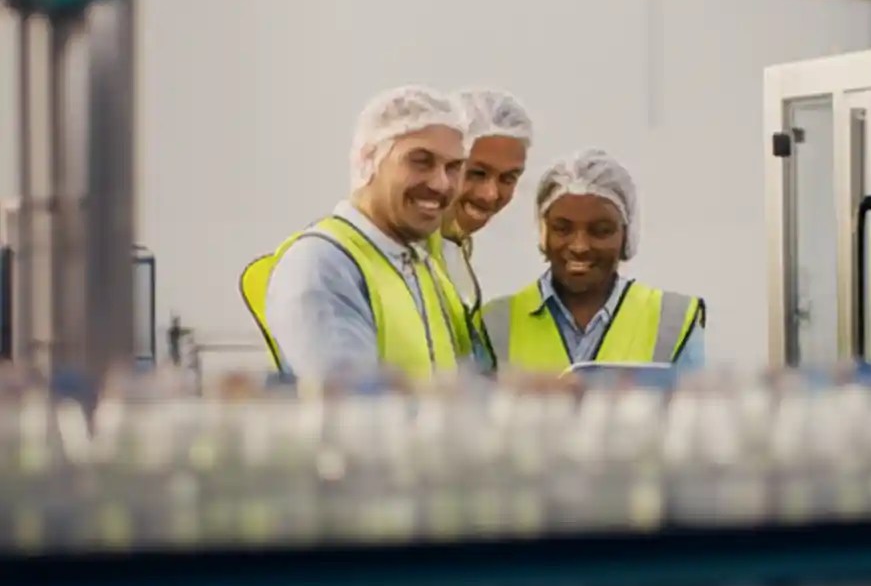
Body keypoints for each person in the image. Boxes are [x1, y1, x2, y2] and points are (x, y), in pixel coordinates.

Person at [239, 85, 473, 382]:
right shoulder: (323, 264)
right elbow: (349, 411)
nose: (441, 184)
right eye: (421, 161)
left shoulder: (419, 265)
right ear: (368, 161)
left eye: (453, 167)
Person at [481, 149, 706, 373]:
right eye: (562, 229)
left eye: (601, 231)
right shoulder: (496, 324)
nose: (579, 246)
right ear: (543, 232)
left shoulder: (673, 320)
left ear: (627, 236)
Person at [428, 89, 534, 316]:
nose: (491, 195)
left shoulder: (453, 252)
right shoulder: (399, 256)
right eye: (477, 173)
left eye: (508, 178)